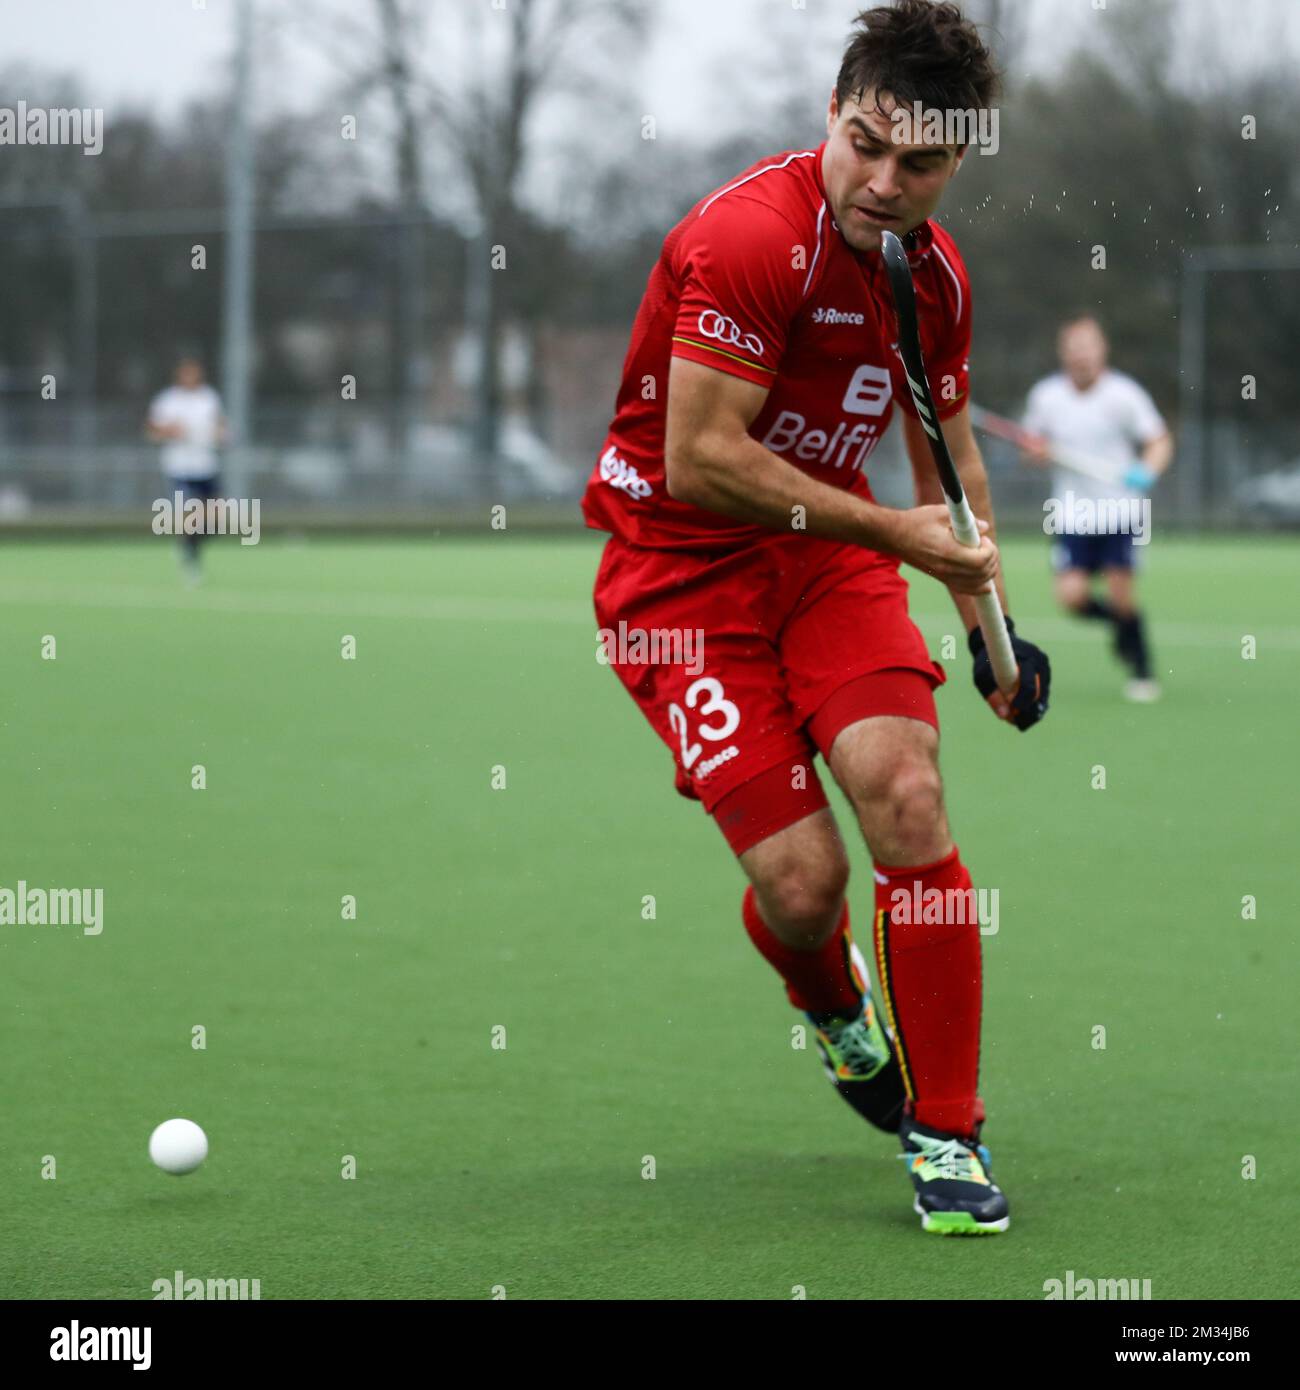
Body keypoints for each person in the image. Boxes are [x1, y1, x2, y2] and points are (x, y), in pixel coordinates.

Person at [580, 0, 1051, 1236]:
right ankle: (833, 1002)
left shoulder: (931, 279)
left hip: (827, 561)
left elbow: (950, 471)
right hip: (679, 579)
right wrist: (899, 535)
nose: (885, 184)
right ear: (829, 114)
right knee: (802, 884)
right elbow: (701, 460)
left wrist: (994, 635)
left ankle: (947, 1136)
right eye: (864, 144)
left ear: (959, 163)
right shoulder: (747, 238)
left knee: (907, 793)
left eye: (922, 162)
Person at [1021, 316, 1173, 701]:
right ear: (1063, 354)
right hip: (1071, 513)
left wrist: (1147, 470)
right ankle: (1122, 630)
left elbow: (1159, 440)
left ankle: (1142, 668)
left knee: (1123, 596)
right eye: (1073, 348)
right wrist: (1035, 451)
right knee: (1071, 598)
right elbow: (1030, 445)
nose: (1081, 356)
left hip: (1120, 511)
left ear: (1102, 350)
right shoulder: (1046, 396)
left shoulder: (1124, 394)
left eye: (1087, 347)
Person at [146, 357, 226, 582]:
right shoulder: (167, 400)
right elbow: (152, 431)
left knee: (214, 521)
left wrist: (221, 434)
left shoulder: (209, 397)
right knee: (190, 514)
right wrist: (170, 431)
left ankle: (187, 545)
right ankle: (191, 555)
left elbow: (220, 425)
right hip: (180, 466)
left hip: (206, 464)